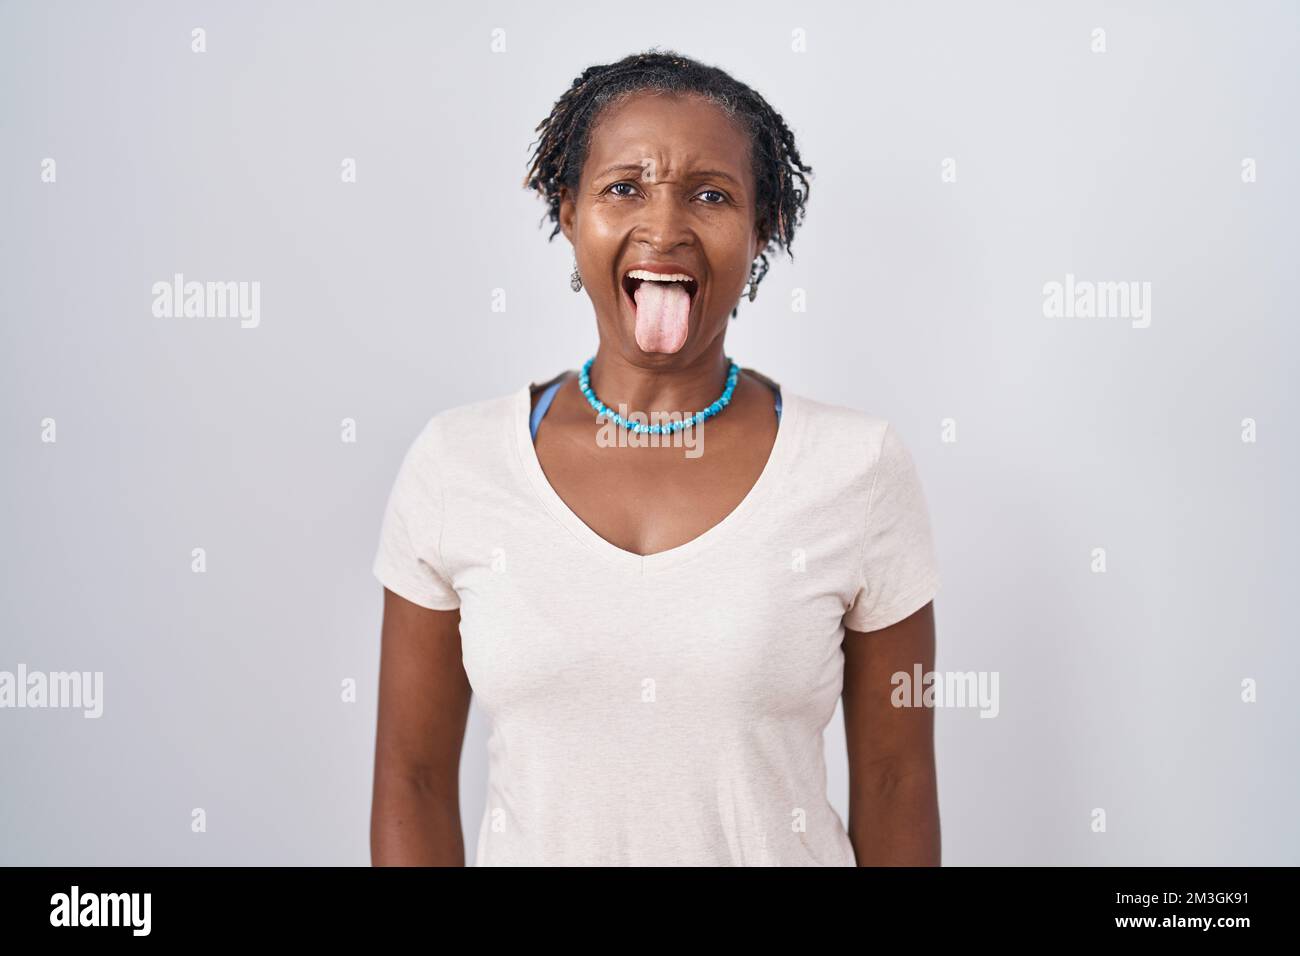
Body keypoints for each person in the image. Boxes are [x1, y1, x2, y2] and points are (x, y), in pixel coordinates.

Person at [369, 49, 941, 866]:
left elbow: (895, 782)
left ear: (763, 226)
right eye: (623, 188)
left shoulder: (857, 467)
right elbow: (413, 779)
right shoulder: (457, 464)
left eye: (712, 195)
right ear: (567, 210)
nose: (665, 229)